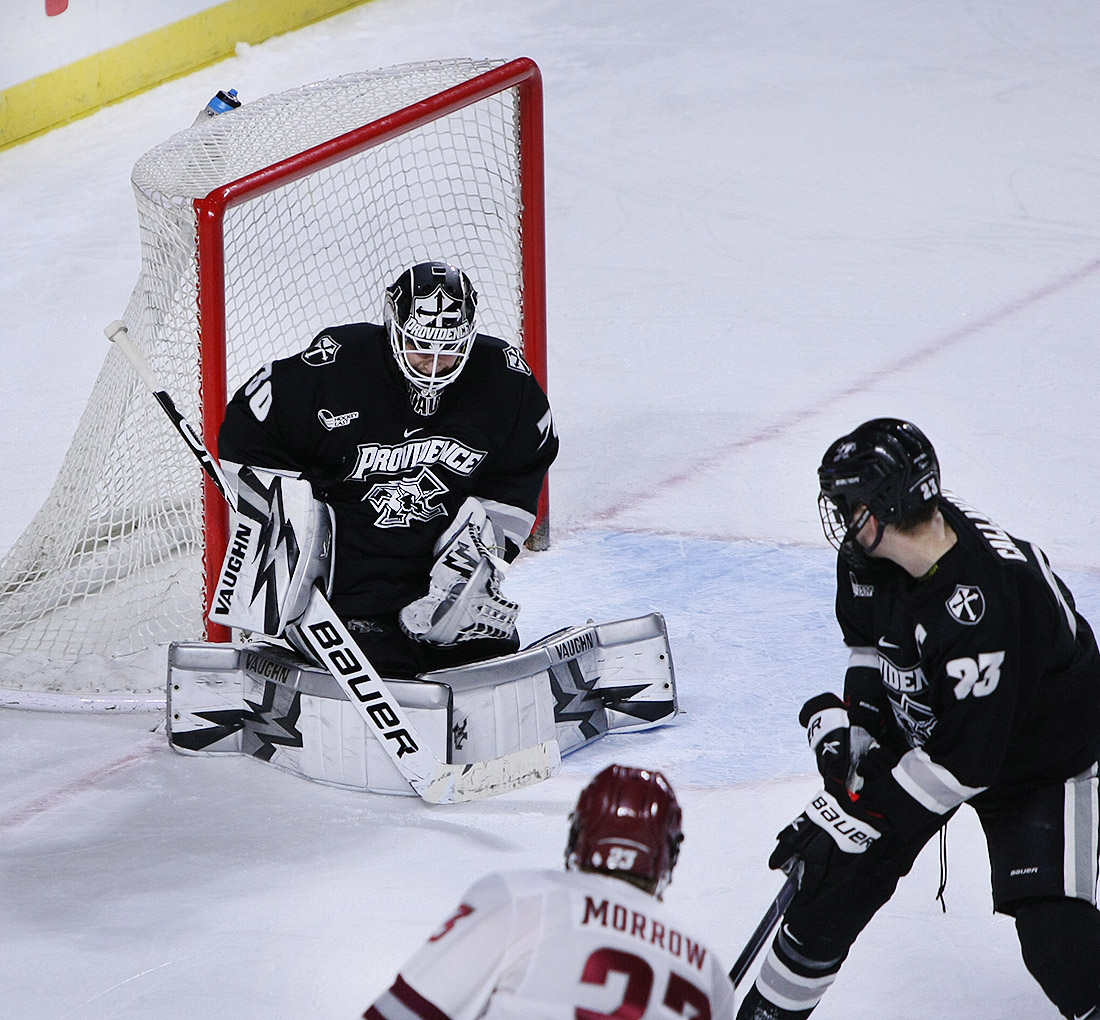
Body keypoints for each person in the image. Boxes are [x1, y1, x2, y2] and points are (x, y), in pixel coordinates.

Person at [737, 418, 1100, 1020]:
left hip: (1040, 757)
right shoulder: (871, 552)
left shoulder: (982, 602)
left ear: (884, 506)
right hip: (944, 728)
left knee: (1056, 941)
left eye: (849, 504)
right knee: (831, 885)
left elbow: (968, 762)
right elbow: (866, 647)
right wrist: (857, 735)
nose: (840, 517)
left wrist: (860, 814)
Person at [218, 260, 558, 678]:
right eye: (420, 348)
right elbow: (246, 434)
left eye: (448, 354)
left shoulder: (505, 383)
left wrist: (478, 555)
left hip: (431, 580)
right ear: (393, 328)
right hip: (341, 587)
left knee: (485, 659)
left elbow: (519, 472)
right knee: (386, 666)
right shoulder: (333, 371)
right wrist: (292, 533)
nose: (432, 367)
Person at [362, 764, 735, 1020]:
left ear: (580, 837)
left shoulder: (521, 899)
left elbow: (401, 1013)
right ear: (667, 856)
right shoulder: (708, 972)